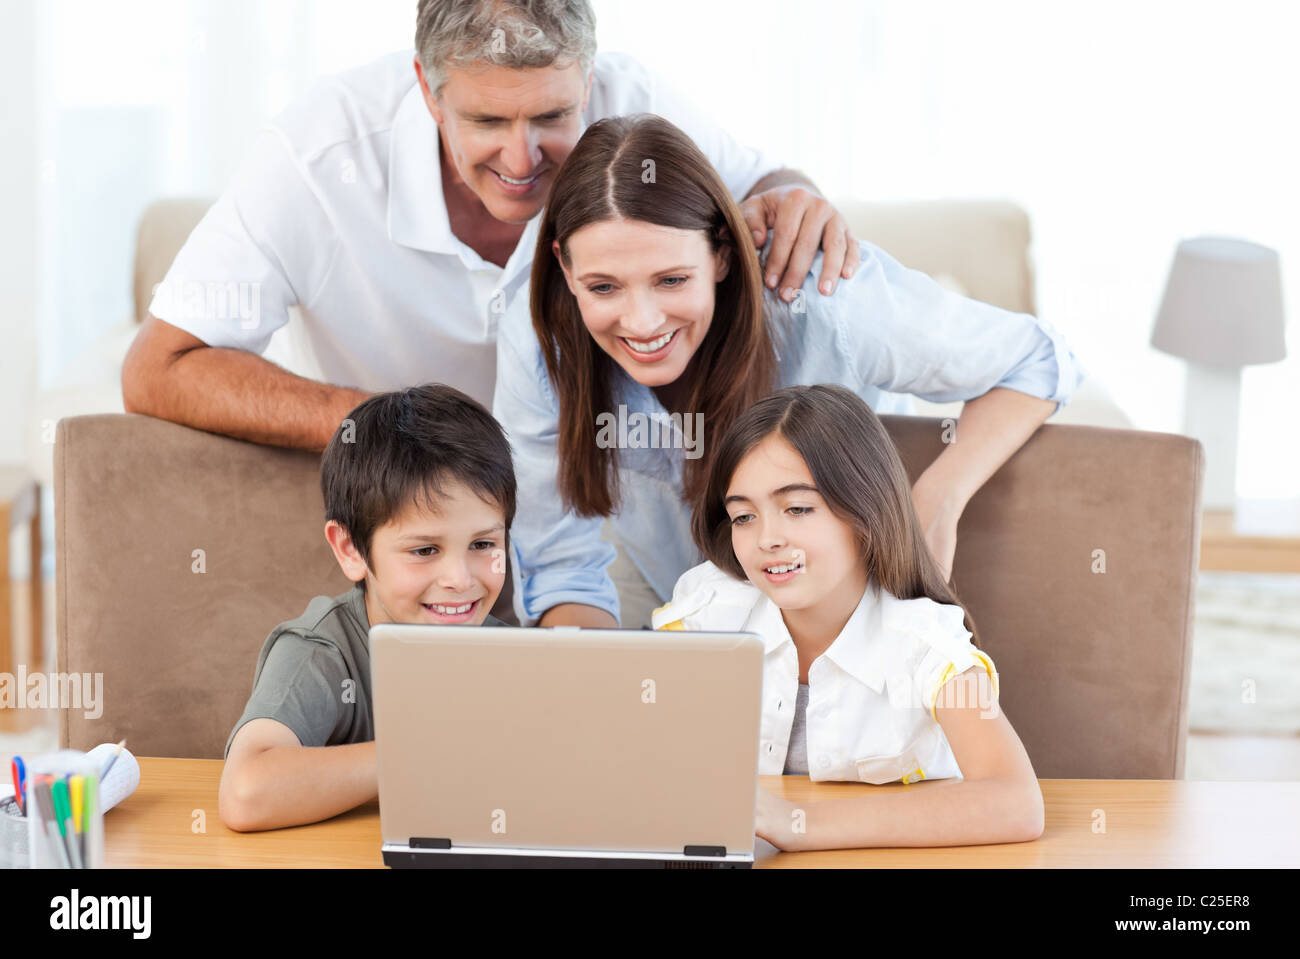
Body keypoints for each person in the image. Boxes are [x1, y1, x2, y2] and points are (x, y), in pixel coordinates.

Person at [122, 0, 861, 453]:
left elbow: (770, 185)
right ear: (427, 89)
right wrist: (397, 426)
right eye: (485, 120)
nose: (522, 159)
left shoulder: (632, 103)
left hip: (609, 487)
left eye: (551, 116)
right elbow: (159, 366)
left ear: (589, 77)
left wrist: (796, 198)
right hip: (429, 504)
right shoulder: (316, 157)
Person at [494, 113, 1085, 630]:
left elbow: (1039, 358)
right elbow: (561, 566)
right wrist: (596, 678)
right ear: (565, 271)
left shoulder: (829, 302)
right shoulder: (539, 336)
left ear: (722, 254)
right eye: (603, 287)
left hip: (842, 599)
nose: (643, 323)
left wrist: (936, 497)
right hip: (672, 595)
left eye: (673, 280)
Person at [651, 384, 1043, 850]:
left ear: (864, 510)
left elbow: (1016, 802)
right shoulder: (705, 613)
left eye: (797, 508)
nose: (766, 538)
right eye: (743, 517)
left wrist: (799, 824)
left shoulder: (929, 645)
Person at [219, 384, 515, 832]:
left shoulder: (514, 655)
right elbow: (246, 791)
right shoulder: (321, 652)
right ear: (351, 549)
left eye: (483, 544)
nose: (461, 579)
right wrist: (425, 753)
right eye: (424, 550)